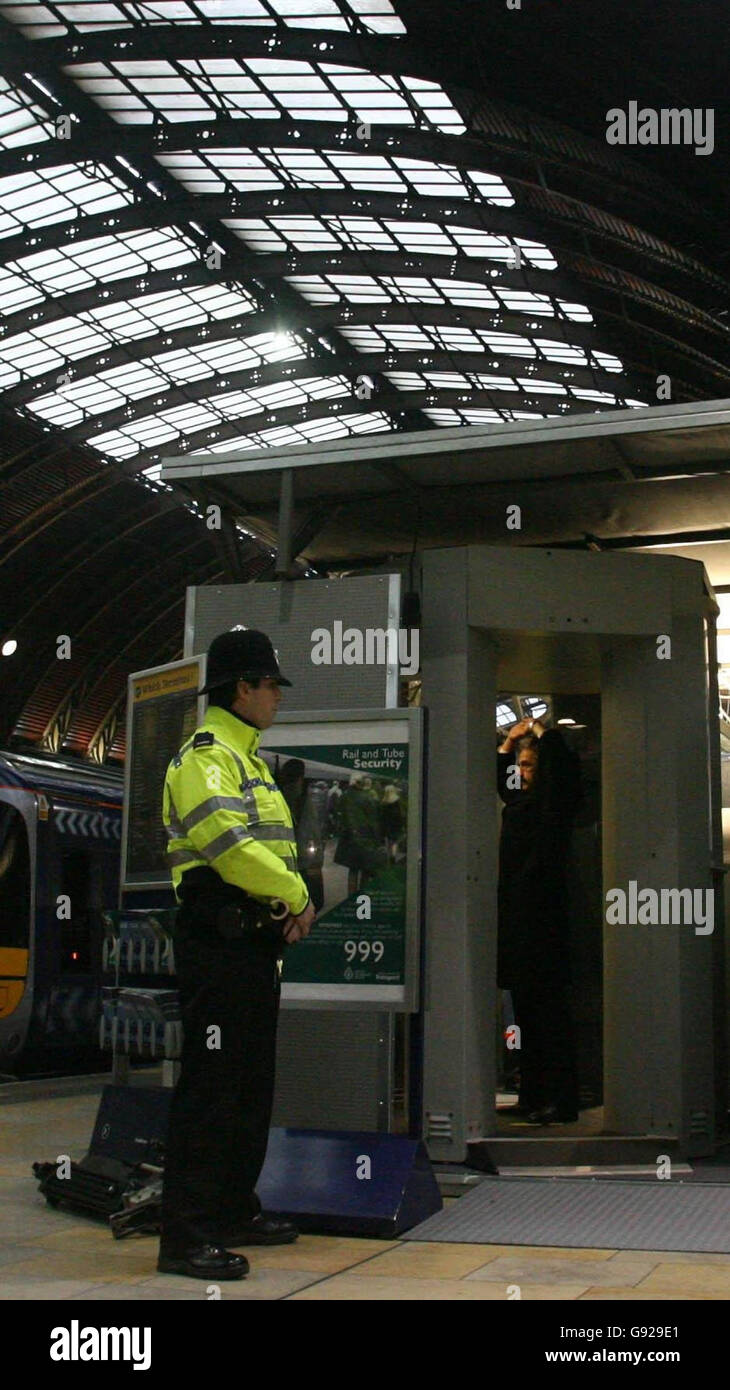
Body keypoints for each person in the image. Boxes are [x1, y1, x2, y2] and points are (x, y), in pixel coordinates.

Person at [158, 629, 316, 1280]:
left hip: (250, 946)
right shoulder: (206, 756)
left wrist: (283, 910)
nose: (277, 697)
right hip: (217, 948)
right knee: (212, 1089)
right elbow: (230, 848)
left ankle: (231, 1210)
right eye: (271, 685)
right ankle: (186, 1237)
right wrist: (296, 895)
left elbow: (264, 853)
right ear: (242, 689)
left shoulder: (249, 759)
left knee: (250, 1086)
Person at [496, 715, 582, 1125]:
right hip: (522, 922)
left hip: (542, 924)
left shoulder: (554, 804)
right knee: (528, 1014)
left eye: (529, 766)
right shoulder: (522, 803)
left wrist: (544, 735)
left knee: (549, 1016)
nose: (521, 773)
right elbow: (503, 783)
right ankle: (533, 1094)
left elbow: (561, 771)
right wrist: (508, 745)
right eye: (520, 766)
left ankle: (560, 1100)